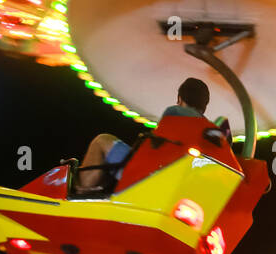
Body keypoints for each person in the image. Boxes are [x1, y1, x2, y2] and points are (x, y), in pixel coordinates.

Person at [76, 77, 211, 192]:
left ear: (179, 99)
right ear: (205, 105)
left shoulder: (176, 112)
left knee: (102, 140)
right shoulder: (211, 131)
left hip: (147, 175)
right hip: (181, 183)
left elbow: (155, 147)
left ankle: (82, 192)